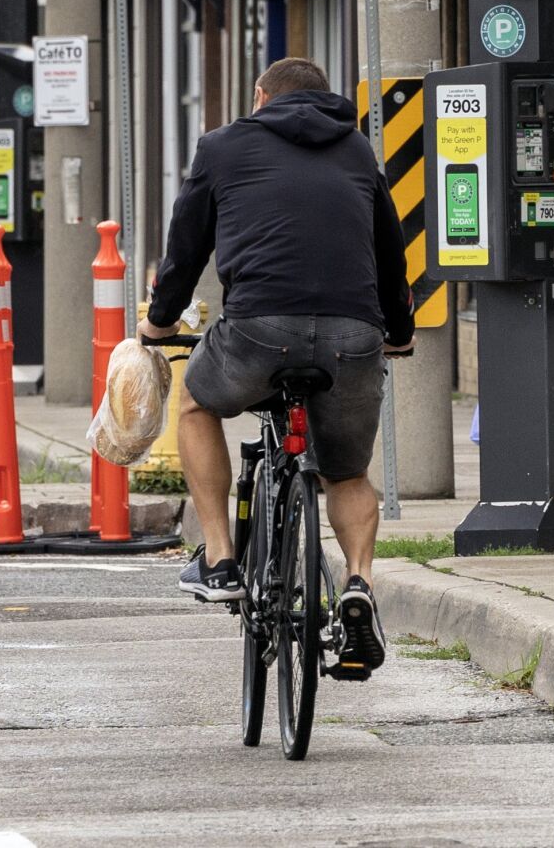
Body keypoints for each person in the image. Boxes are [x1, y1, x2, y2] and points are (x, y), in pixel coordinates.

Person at [140, 57, 414, 677]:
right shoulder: (357, 151)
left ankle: (219, 560)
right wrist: (398, 334)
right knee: (347, 472)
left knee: (196, 406)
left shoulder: (221, 146)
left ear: (261, 96)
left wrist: (159, 323)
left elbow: (186, 248)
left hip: (259, 330)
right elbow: (389, 252)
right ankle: (359, 584)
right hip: (353, 335)